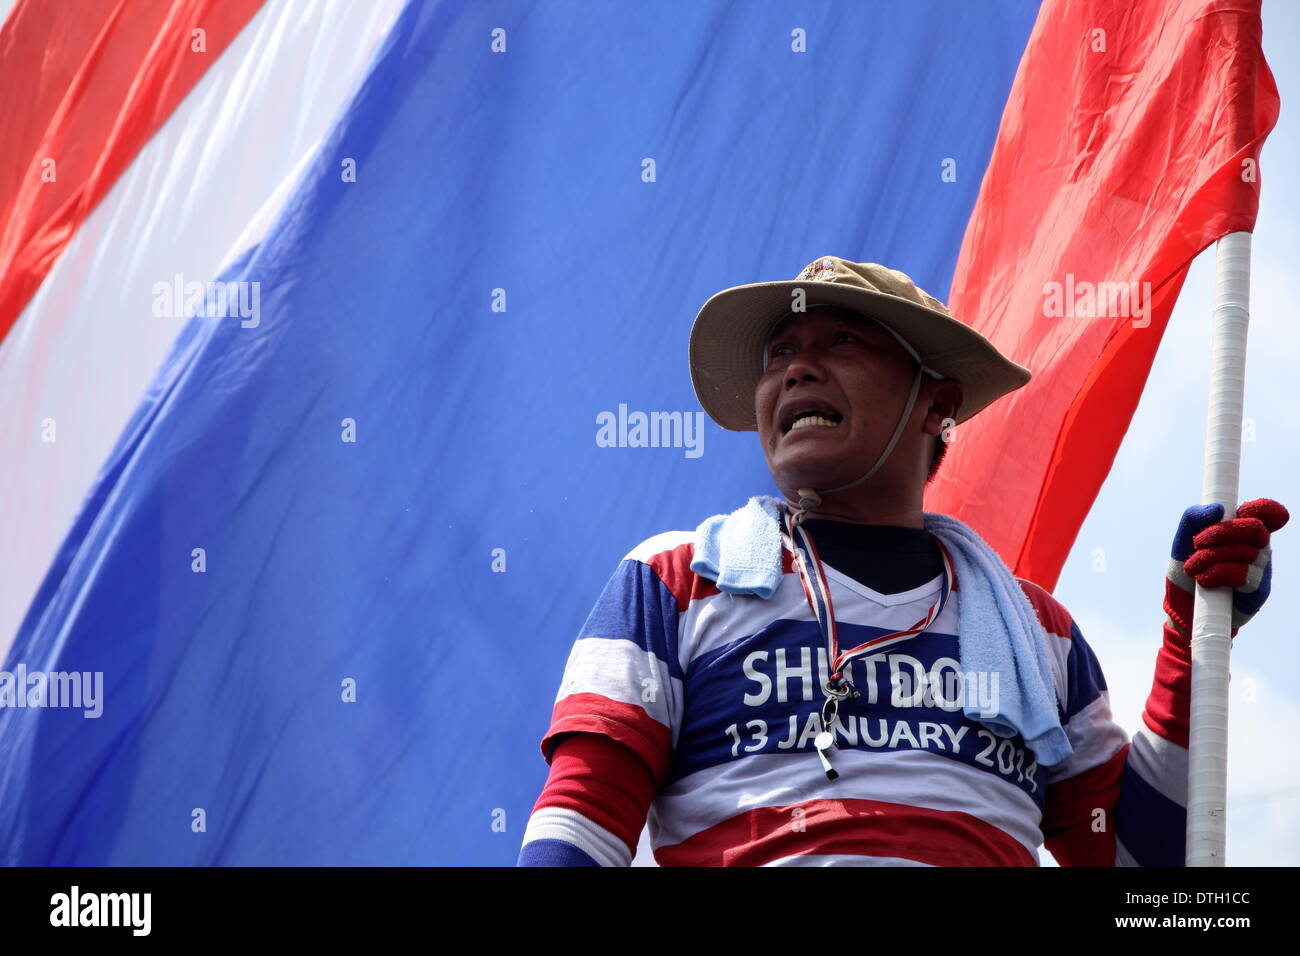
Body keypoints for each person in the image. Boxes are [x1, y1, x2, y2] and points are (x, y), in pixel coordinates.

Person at [516, 256, 1288, 866]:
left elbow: (1142, 867)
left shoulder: (1037, 632)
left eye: (841, 342)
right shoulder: (674, 580)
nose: (797, 368)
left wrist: (1194, 642)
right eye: (778, 352)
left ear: (936, 403)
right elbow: (580, 828)